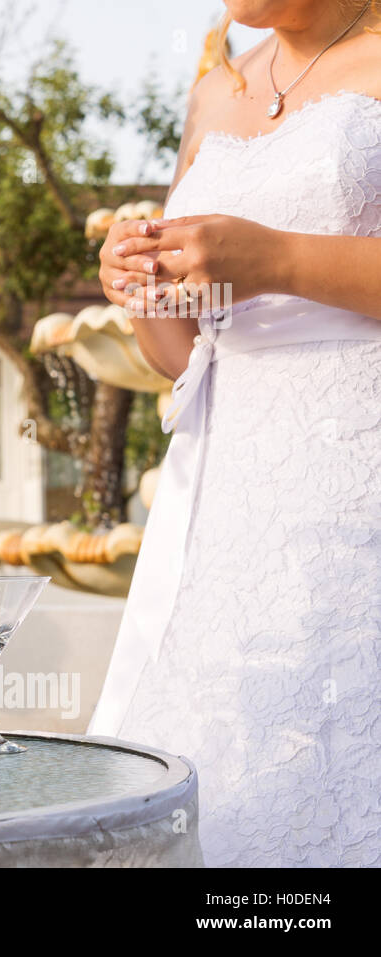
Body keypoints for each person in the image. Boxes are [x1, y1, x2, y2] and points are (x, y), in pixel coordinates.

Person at [89, 0, 381, 866]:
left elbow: (266, 264)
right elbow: (182, 354)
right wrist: (142, 283)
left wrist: (278, 261)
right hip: (225, 509)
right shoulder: (218, 84)